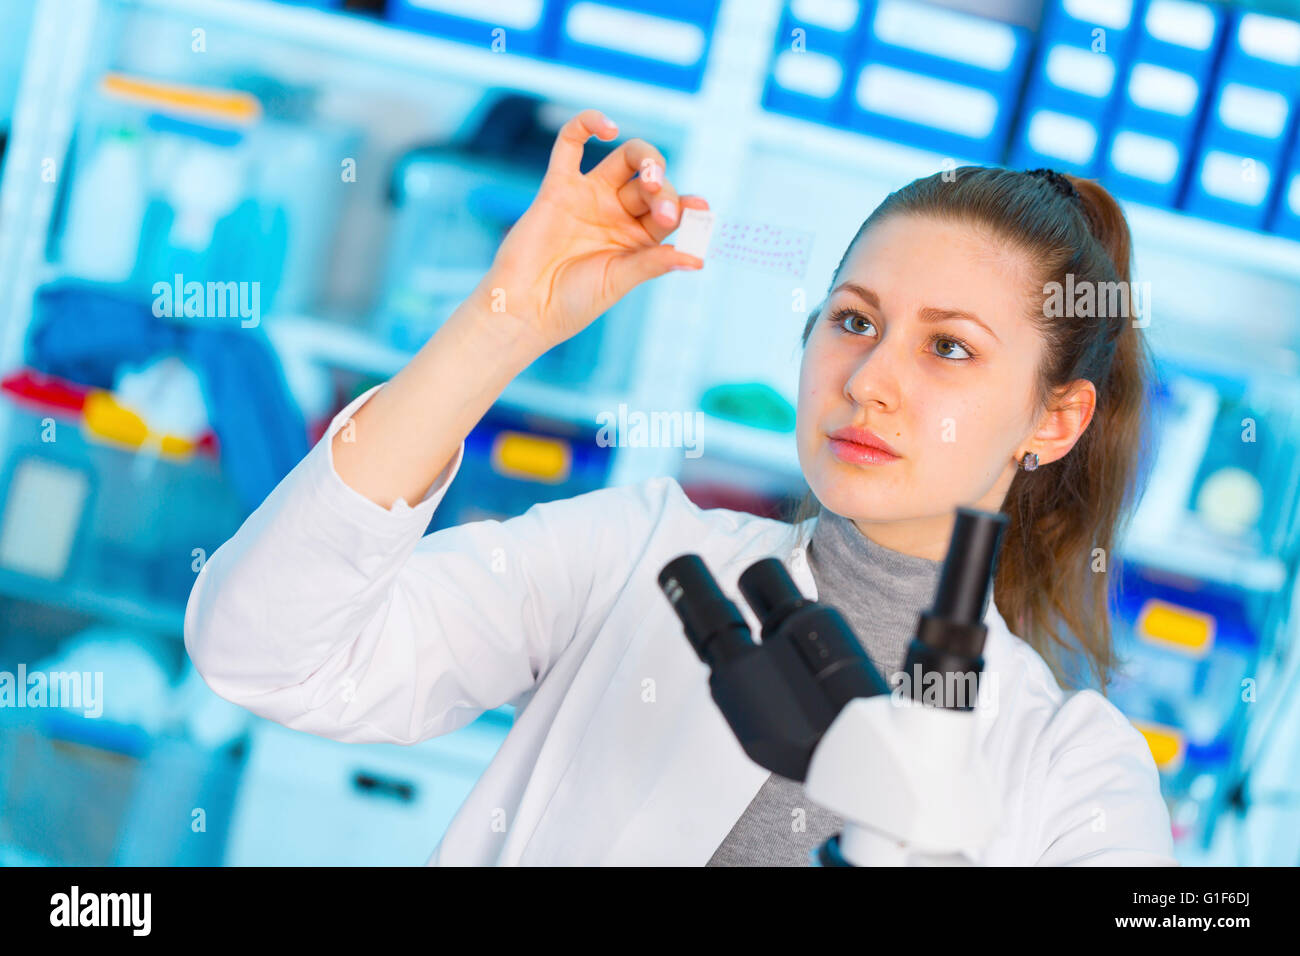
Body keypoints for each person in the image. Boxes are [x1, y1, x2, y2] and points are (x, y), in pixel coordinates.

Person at [184, 108, 1176, 866]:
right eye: (853, 320)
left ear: (1055, 419)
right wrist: (505, 320)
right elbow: (265, 653)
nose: (868, 380)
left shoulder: (1071, 771)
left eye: (949, 346)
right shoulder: (639, 557)